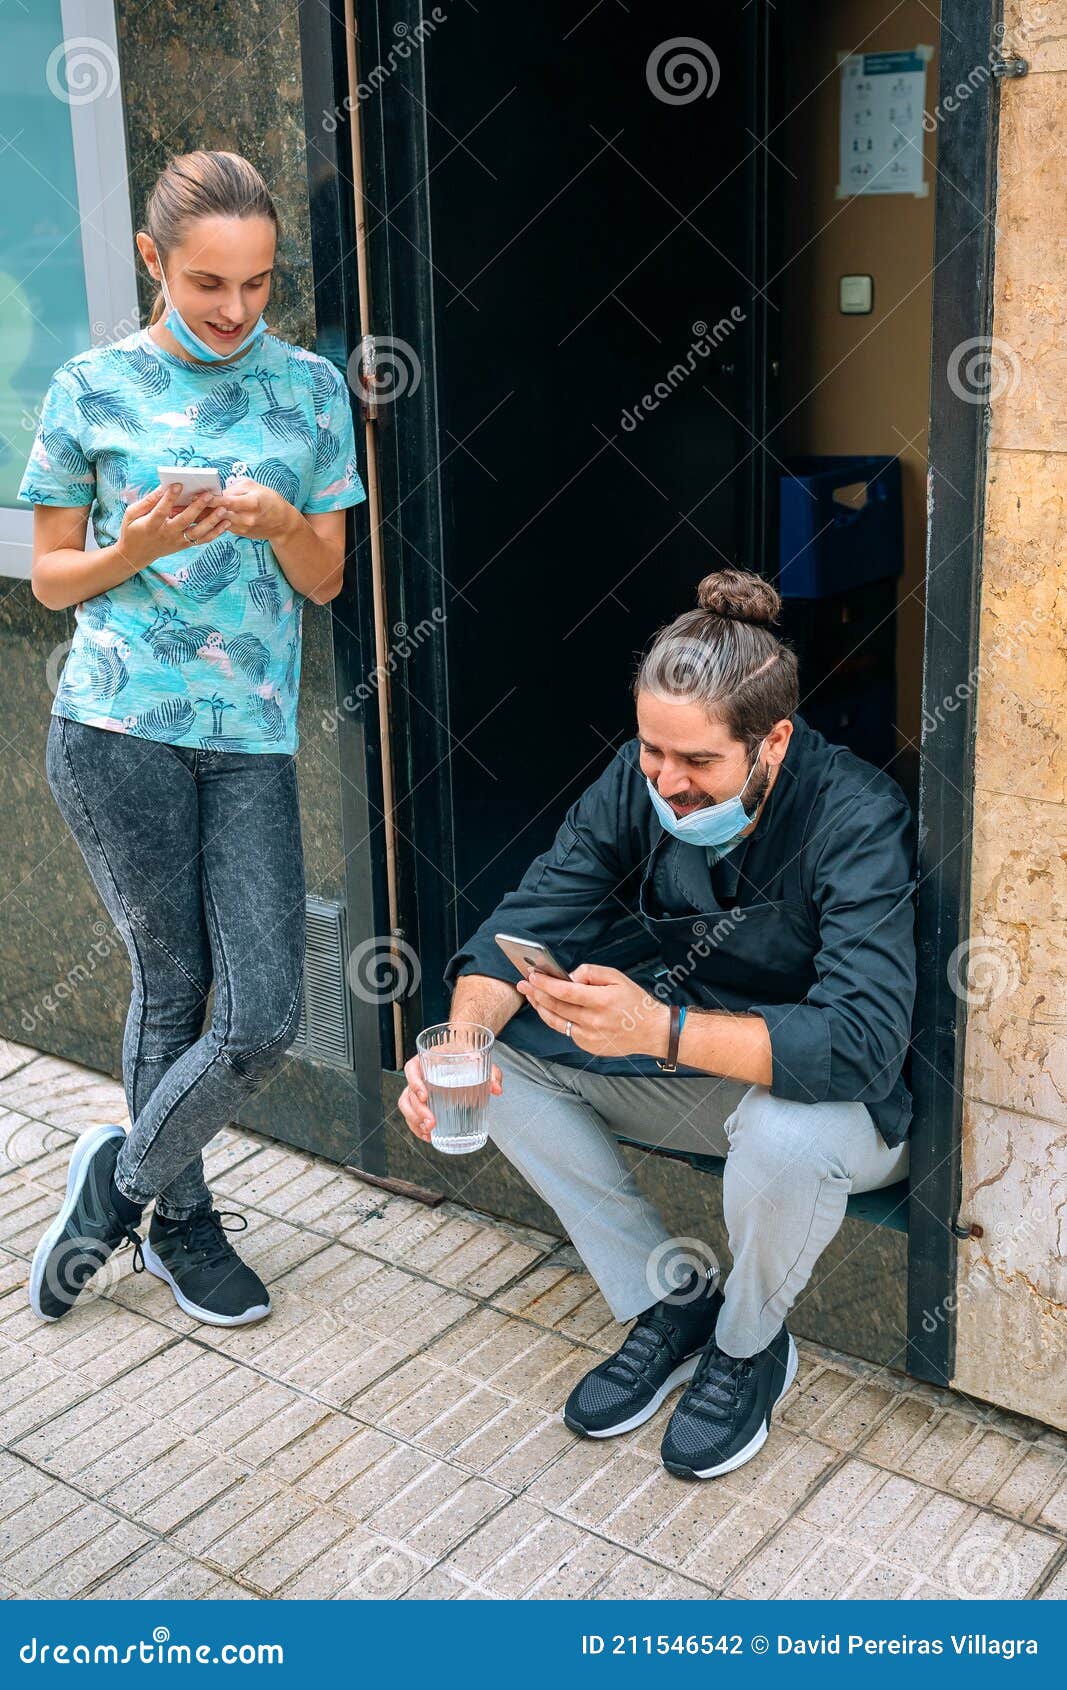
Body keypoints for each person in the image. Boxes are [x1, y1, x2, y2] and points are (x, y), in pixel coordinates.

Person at [398, 568, 917, 1480]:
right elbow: (523, 922)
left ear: (774, 742)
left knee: (785, 1139)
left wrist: (659, 1030)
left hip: (844, 1110)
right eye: (650, 754)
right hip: (699, 1078)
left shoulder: (857, 815)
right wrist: (462, 1046)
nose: (667, 784)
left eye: (698, 763)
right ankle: (668, 1300)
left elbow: (861, 1040)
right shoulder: (639, 783)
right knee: (500, 1061)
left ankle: (749, 1346)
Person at [21, 150, 367, 1327]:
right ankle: (184, 1225)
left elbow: (325, 582)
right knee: (171, 986)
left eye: (258, 284)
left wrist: (276, 521)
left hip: (251, 737)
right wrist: (134, 548)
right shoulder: (87, 388)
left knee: (261, 1010)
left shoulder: (313, 392)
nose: (233, 309)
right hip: (117, 731)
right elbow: (53, 584)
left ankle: (113, 1190)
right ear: (151, 260)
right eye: (208, 282)